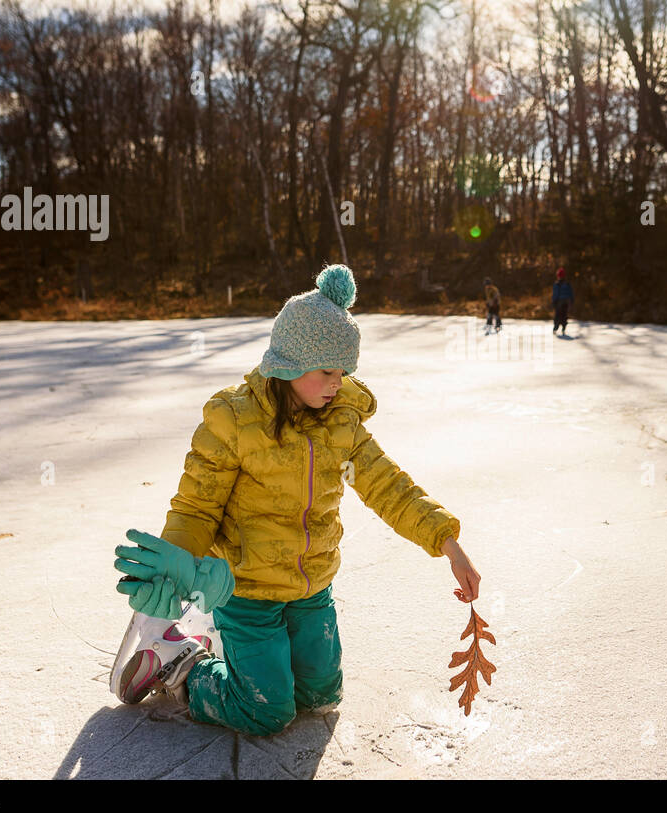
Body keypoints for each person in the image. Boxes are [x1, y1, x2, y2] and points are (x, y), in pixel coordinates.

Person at [109, 264, 482, 737]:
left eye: (344, 372)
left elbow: (387, 485)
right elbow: (197, 508)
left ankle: (251, 660)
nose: (337, 383)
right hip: (247, 592)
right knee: (267, 711)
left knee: (321, 698)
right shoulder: (235, 422)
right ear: (289, 365)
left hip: (311, 588)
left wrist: (447, 542)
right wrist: (177, 563)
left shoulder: (340, 423)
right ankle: (182, 666)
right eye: (327, 371)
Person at [551, 266, 573, 335]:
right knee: (564, 315)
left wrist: (554, 301)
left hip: (559, 302)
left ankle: (556, 327)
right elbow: (571, 293)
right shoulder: (567, 284)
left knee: (558, 315)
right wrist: (571, 301)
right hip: (566, 302)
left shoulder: (557, 284)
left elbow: (555, 294)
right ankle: (563, 327)